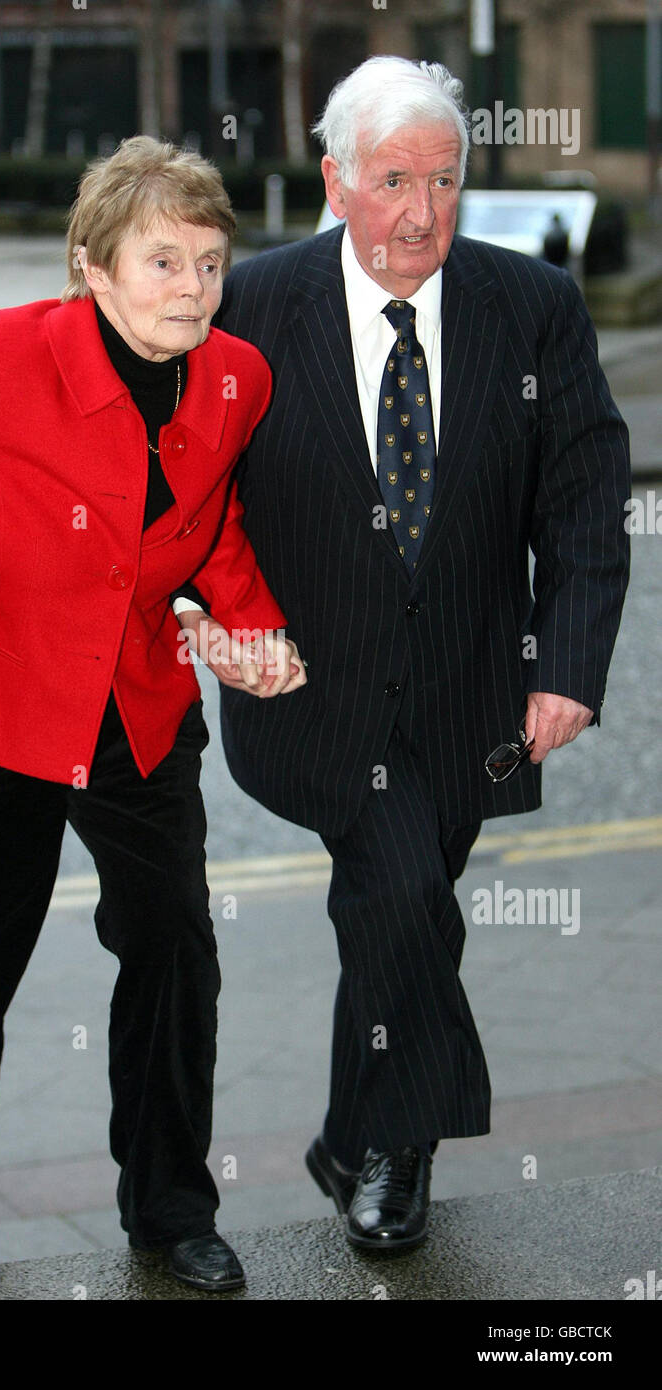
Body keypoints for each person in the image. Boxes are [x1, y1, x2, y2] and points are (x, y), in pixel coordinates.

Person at [0, 135, 305, 1293]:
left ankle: (171, 1209)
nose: (192, 289)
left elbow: (206, 522)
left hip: (132, 704)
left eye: (211, 263)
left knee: (176, 949)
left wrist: (248, 625)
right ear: (93, 266)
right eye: (163, 262)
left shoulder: (236, 378)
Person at [176, 56, 631, 1253]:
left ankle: (347, 1127)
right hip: (309, 690)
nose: (422, 212)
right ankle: (401, 1147)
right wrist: (211, 618)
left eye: (445, 179)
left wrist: (568, 665)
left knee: (402, 905)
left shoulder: (533, 307)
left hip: (471, 689)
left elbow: (584, 501)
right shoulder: (252, 307)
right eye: (391, 181)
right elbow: (185, 485)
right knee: (400, 887)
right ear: (334, 181)